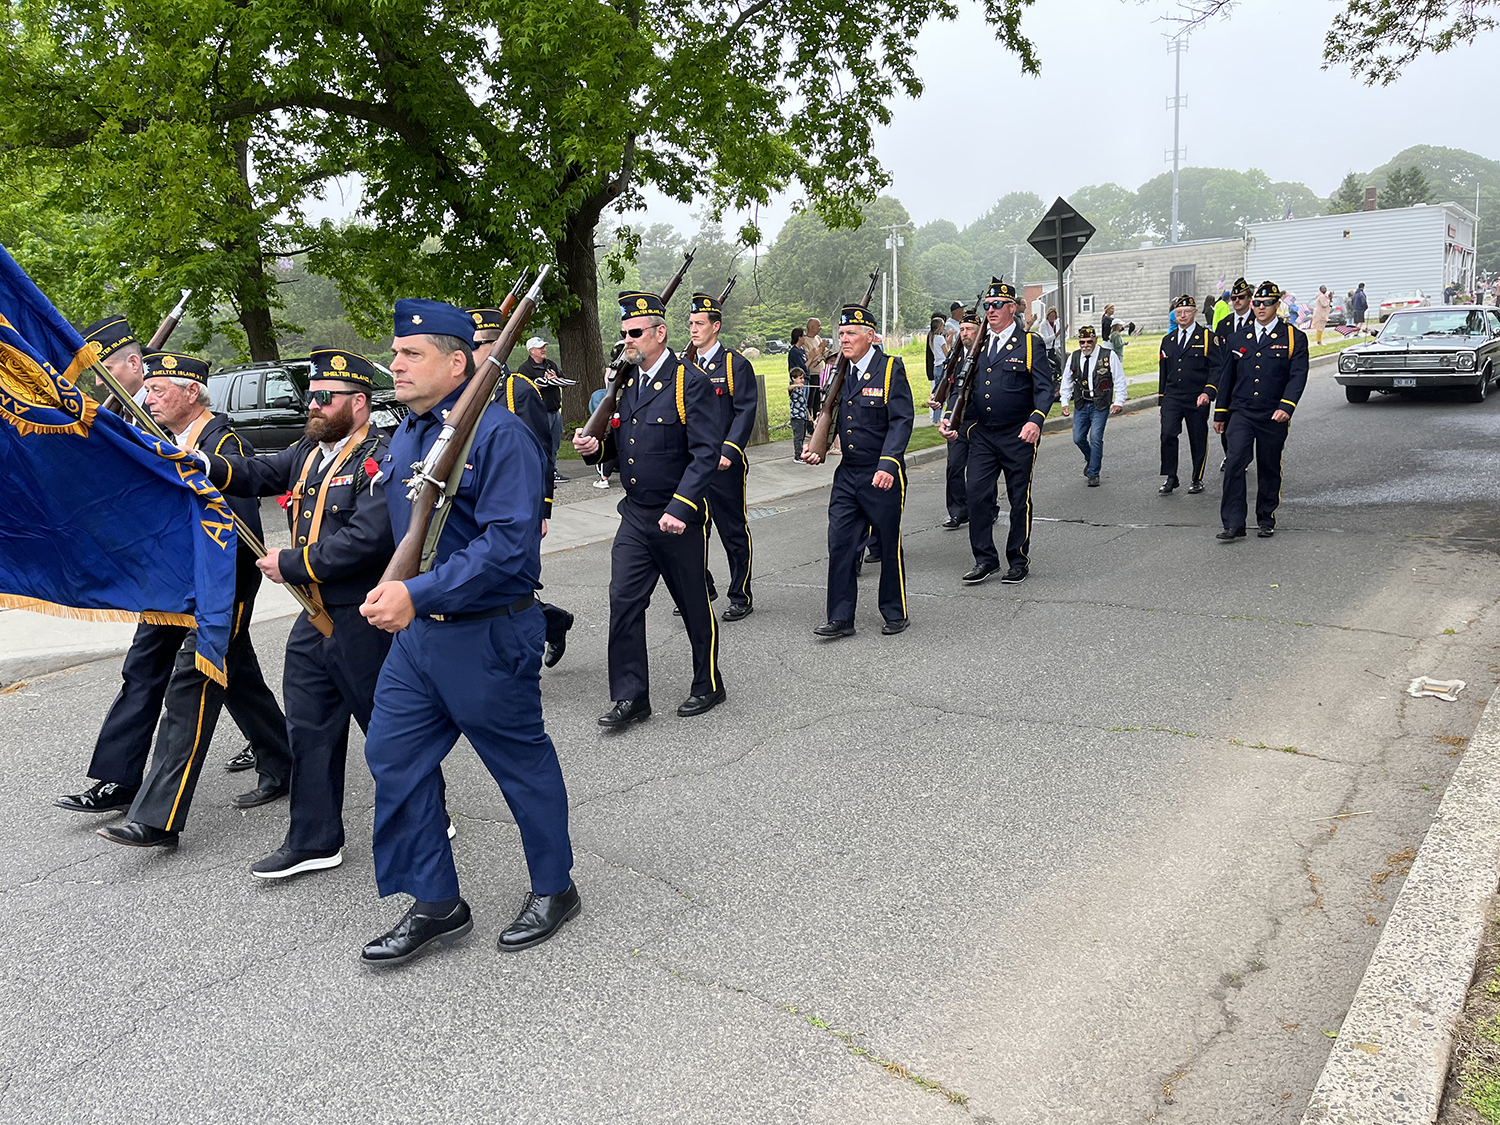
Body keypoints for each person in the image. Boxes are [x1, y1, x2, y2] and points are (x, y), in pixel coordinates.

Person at [358, 298, 577, 965]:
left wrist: (416, 592)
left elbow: (509, 546)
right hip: (418, 641)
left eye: (412, 353)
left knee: (520, 767)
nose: (396, 363)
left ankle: (555, 886)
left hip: (487, 633)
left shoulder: (500, 435)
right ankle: (435, 900)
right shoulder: (407, 435)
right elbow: (399, 529)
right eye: (395, 353)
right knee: (393, 756)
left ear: (457, 364)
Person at [198, 349, 395, 878]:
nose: (313, 405)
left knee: (385, 726)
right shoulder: (309, 449)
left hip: (364, 616)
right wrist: (205, 464)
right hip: (313, 616)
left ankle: (427, 809)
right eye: (311, 395)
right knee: (308, 727)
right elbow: (258, 472)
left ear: (358, 402)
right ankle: (314, 840)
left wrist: (291, 563)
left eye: (324, 397)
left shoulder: (383, 455)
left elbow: (369, 539)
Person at [90, 350, 293, 848]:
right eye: (148, 390)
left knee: (192, 685)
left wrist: (217, 602)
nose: (149, 398)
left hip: (218, 589)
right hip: (173, 584)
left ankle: (158, 817)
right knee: (231, 676)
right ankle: (284, 759)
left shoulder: (224, 443)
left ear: (192, 393)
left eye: (159, 390)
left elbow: (238, 535)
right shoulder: (163, 438)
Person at [574, 290, 723, 726]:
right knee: (623, 601)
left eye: (635, 332)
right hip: (637, 515)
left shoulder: (688, 381)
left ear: (660, 333)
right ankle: (631, 696)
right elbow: (626, 446)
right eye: (624, 333)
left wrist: (681, 507)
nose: (627, 340)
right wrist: (596, 449)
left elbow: (705, 454)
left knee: (693, 603)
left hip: (677, 515)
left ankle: (708, 683)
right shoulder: (628, 383)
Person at [469, 308, 576, 668]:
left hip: (514, 508)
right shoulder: (464, 392)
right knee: (489, 584)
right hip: (474, 504)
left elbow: (540, 453)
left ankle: (528, 646)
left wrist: (542, 509)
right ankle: (550, 621)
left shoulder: (518, 391)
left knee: (509, 583)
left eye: (476, 345)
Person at [801, 302, 912, 637]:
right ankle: (840, 617)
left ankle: (895, 611)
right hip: (848, 473)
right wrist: (817, 447)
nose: (844, 339)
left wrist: (889, 463)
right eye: (841, 333)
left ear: (870, 335)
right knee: (840, 544)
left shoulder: (890, 369)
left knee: (887, 544)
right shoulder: (841, 372)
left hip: (881, 472)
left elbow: (901, 421)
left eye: (851, 333)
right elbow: (833, 415)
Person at [941, 278, 1050, 585]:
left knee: (1019, 499)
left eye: (997, 305)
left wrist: (1036, 420)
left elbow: (1044, 388)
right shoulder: (979, 345)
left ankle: (1018, 559)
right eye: (987, 306)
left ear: (1012, 308)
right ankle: (985, 559)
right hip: (984, 435)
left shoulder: (1030, 344)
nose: (990, 310)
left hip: (1018, 434)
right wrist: (950, 418)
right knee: (976, 495)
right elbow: (960, 387)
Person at [1213, 281, 1309, 541]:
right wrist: (1220, 413)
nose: (1261, 307)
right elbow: (1227, 378)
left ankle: (1266, 518)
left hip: (1272, 412)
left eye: (1267, 303)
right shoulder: (1237, 337)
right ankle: (1233, 523)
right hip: (1242, 411)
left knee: (1269, 466)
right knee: (1235, 462)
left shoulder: (1293, 337)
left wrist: (1286, 406)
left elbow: (1298, 376)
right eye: (1256, 303)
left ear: (1277, 305)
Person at [686, 290, 759, 623]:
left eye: (699, 323)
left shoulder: (734, 364)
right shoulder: (685, 366)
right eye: (690, 323)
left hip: (723, 464)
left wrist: (729, 450)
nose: (693, 329)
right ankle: (701, 588)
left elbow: (745, 411)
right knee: (690, 529)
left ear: (715, 326)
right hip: (693, 464)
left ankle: (740, 595)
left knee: (732, 530)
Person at [1156, 295, 1221, 496]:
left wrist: (1208, 392)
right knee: (1168, 434)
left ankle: (1197, 478)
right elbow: (1164, 372)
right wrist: (1162, 400)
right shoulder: (1168, 340)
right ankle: (1171, 477)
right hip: (1173, 396)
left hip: (1197, 396)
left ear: (1195, 313)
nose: (1182, 315)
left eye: (1186, 312)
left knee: (1197, 437)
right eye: (1178, 312)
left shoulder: (1208, 338)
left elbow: (1217, 367)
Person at [1060, 325, 1125, 486]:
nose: (1085, 345)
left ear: (1095, 340)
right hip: (1081, 403)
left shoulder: (1108, 356)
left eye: (1089, 341)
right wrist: (1064, 402)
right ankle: (1090, 458)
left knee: (1096, 437)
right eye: (1082, 342)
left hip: (1100, 404)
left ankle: (1093, 473)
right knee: (1078, 438)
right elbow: (1067, 380)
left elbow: (1119, 379)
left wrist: (1119, 401)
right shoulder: (1074, 357)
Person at [933, 309, 979, 529]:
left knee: (980, 470)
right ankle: (957, 512)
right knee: (954, 466)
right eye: (962, 329)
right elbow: (950, 385)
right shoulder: (956, 354)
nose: (964, 333)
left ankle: (987, 508)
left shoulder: (986, 353)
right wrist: (943, 407)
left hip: (980, 419)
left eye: (969, 329)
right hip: (958, 418)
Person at [517, 336, 574, 484]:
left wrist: (555, 378)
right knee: (541, 444)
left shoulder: (550, 364)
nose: (544, 350)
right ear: (531, 351)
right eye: (540, 348)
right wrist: (541, 384)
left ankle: (552, 471)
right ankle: (540, 474)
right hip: (539, 413)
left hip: (555, 410)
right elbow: (523, 391)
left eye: (544, 347)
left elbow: (564, 382)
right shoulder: (525, 369)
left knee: (554, 445)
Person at [1214, 277, 1256, 470]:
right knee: (1226, 423)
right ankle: (1230, 455)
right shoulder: (1224, 324)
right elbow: (1218, 355)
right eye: (1233, 298)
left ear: (1249, 299)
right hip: (1229, 382)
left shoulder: (1258, 321)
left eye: (1241, 297)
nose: (1237, 301)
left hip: (1251, 381)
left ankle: (1242, 458)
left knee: (1247, 425)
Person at [1036, 306, 1064, 401]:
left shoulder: (1057, 323)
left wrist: (1063, 331)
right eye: (1050, 316)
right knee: (1055, 367)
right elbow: (1045, 340)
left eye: (1053, 316)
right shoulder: (1044, 325)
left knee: (1062, 364)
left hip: (1057, 348)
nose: (1052, 318)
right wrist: (1056, 334)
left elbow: (1063, 337)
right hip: (1048, 350)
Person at [788, 368, 809, 461]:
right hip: (796, 416)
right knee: (798, 437)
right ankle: (798, 456)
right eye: (800, 378)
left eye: (803, 378)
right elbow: (789, 388)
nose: (802, 380)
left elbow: (804, 403)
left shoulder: (801, 390)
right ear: (793, 378)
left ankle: (801, 453)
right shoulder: (793, 388)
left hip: (803, 415)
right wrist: (796, 385)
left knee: (802, 436)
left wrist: (808, 415)